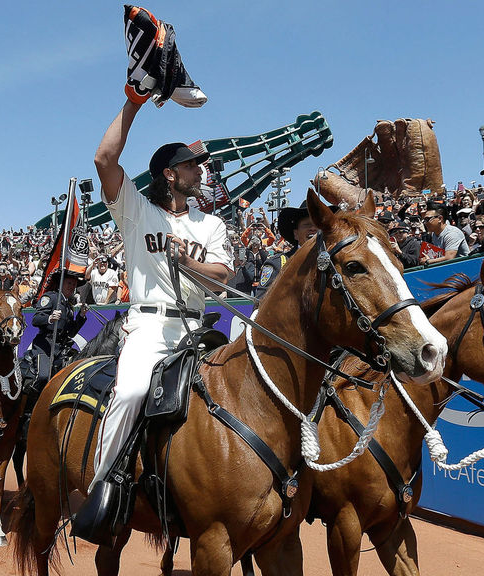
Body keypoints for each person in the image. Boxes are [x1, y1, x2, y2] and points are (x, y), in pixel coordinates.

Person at [88, 97, 233, 492]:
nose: (198, 170)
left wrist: (191, 264)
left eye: (196, 164)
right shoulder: (137, 211)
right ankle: (101, 487)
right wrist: (133, 103)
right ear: (169, 175)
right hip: (150, 326)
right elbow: (104, 160)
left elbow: (221, 279)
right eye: (189, 165)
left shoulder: (213, 224)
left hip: (198, 329)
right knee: (132, 391)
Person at [255, 198, 321, 298]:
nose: (313, 229)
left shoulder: (336, 261)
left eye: (317, 225)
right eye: (307, 225)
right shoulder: (278, 263)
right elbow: (261, 302)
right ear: (296, 234)